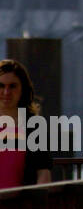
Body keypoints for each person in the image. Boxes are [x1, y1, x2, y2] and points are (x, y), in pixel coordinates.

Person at [0, 59, 52, 190]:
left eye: (12, 86)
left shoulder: (34, 126)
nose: (6, 92)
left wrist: (37, 204)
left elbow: (43, 172)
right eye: (1, 86)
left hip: (21, 206)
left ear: (22, 89)